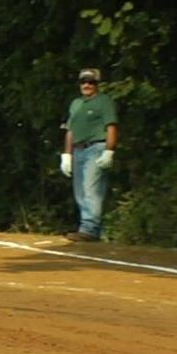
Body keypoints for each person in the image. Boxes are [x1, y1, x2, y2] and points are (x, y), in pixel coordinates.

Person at [58, 68, 119, 242]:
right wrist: (66, 155)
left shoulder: (104, 101)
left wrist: (109, 150)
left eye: (91, 82)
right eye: (83, 82)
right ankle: (94, 230)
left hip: (96, 148)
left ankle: (89, 228)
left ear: (97, 84)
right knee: (80, 191)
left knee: (91, 189)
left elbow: (112, 126)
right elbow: (70, 130)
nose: (87, 85)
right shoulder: (76, 104)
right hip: (78, 149)